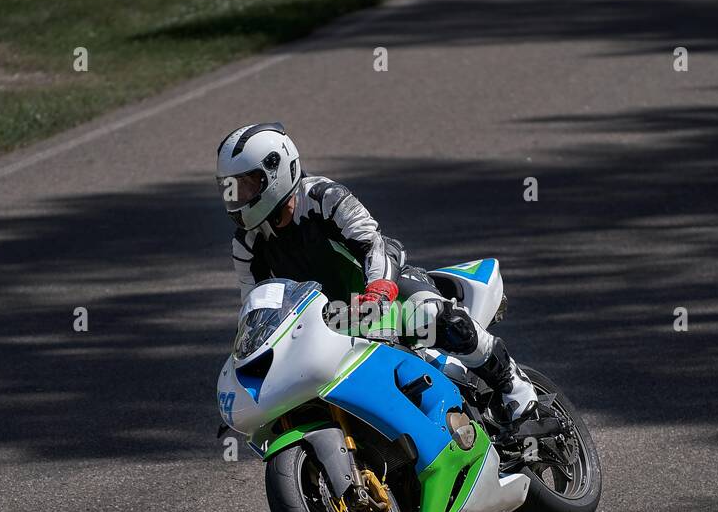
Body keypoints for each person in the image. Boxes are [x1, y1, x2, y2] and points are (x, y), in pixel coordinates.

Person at [217, 122, 538, 423]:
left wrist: (379, 290)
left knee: (435, 317)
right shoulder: (246, 244)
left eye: (247, 185)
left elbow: (372, 244)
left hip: (386, 292)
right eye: (231, 189)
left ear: (277, 171)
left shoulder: (322, 197)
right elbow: (257, 307)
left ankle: (512, 383)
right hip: (329, 323)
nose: (238, 198)